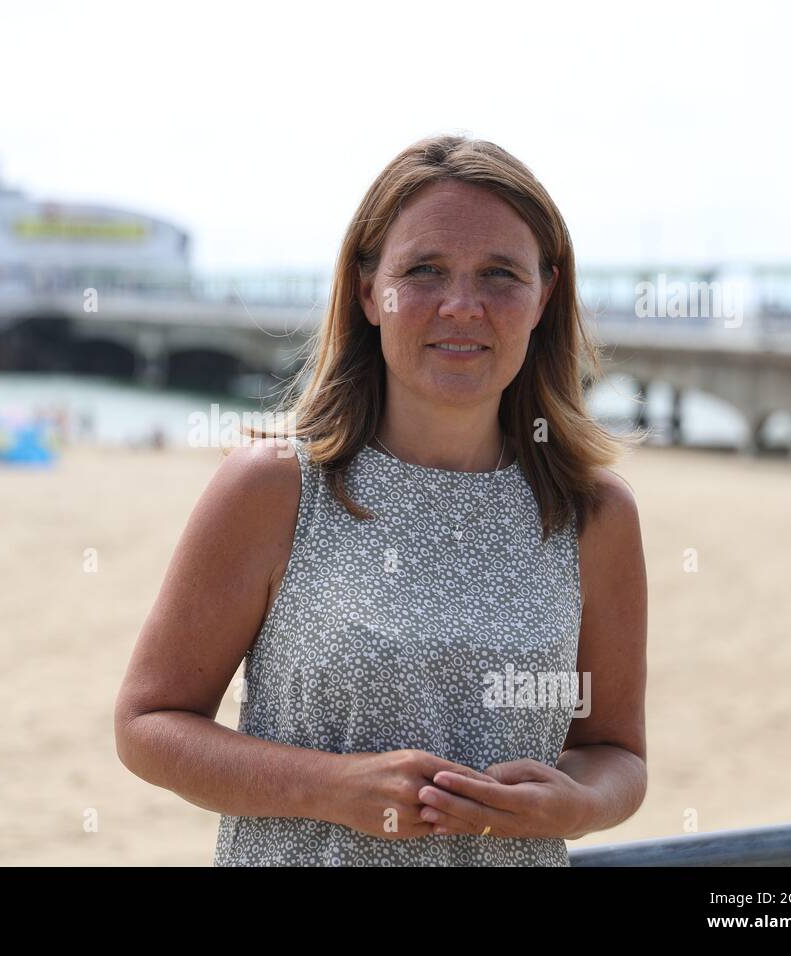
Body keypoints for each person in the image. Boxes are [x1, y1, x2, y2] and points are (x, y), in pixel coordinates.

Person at [114, 133, 648, 866]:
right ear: (370, 290)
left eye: (500, 274)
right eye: (425, 270)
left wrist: (578, 803)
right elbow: (149, 725)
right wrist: (330, 787)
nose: (462, 306)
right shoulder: (275, 487)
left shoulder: (594, 515)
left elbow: (616, 751)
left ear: (544, 295)